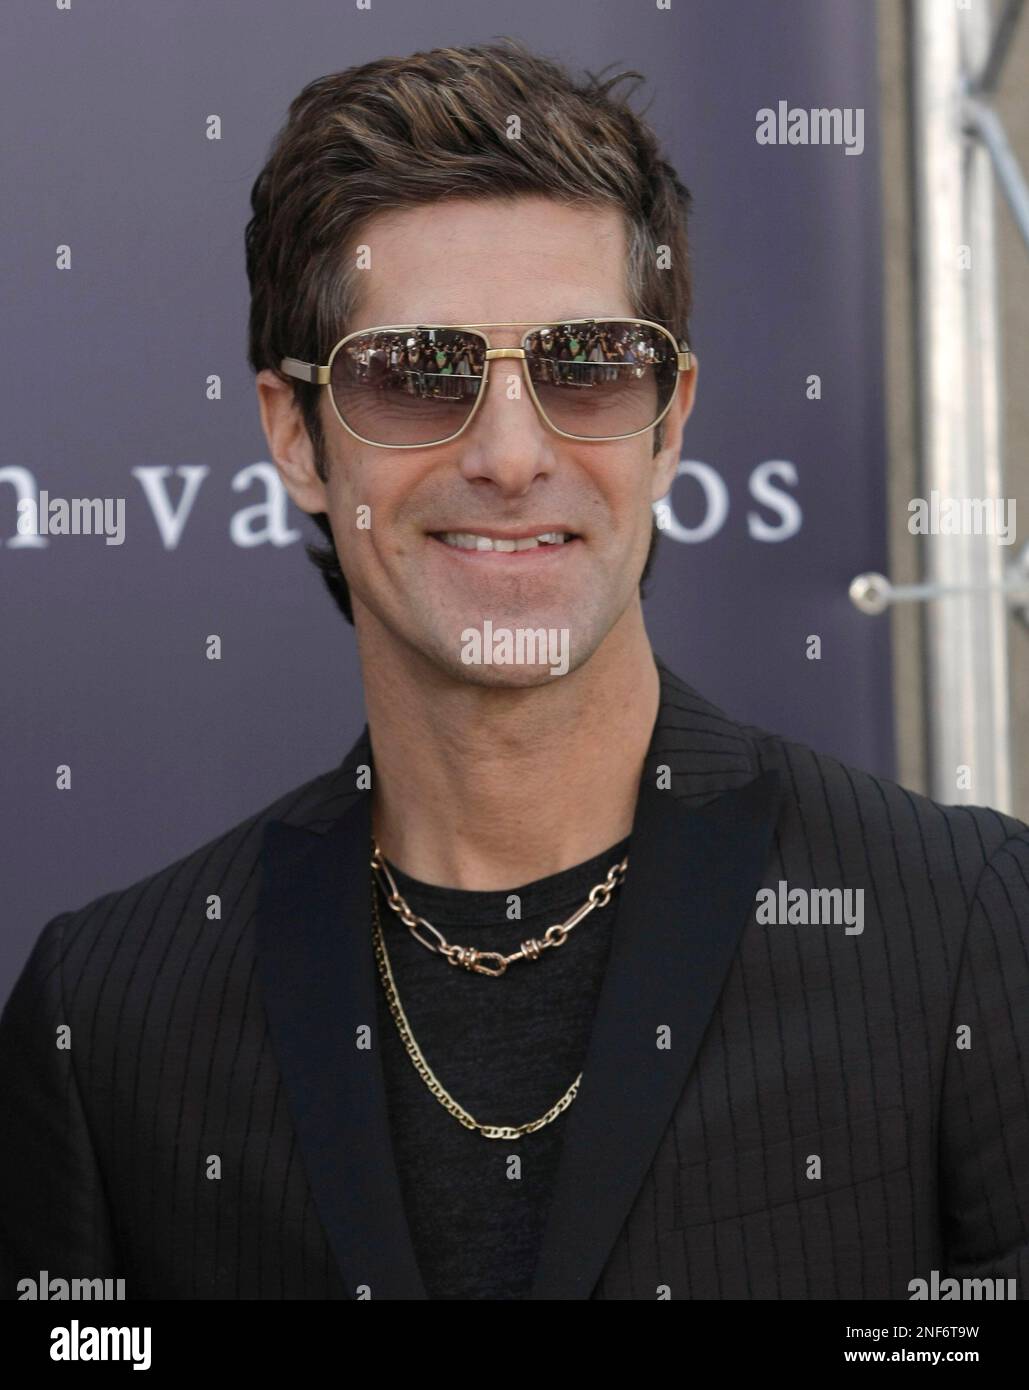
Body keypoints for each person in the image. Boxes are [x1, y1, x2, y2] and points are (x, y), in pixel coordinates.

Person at [1, 38, 1027, 1303]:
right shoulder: (108, 1018)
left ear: (670, 420)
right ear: (296, 437)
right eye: (418, 374)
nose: (508, 453)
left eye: (586, 365)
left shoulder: (967, 928)